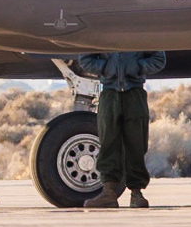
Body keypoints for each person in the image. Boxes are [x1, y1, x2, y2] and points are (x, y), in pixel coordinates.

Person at [71, 51, 166, 208]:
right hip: (109, 93)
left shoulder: (141, 35)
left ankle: (136, 193)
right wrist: (105, 67)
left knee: (137, 143)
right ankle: (108, 192)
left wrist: (137, 67)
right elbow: (85, 59)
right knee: (108, 142)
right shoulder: (103, 36)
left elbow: (159, 59)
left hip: (135, 93)